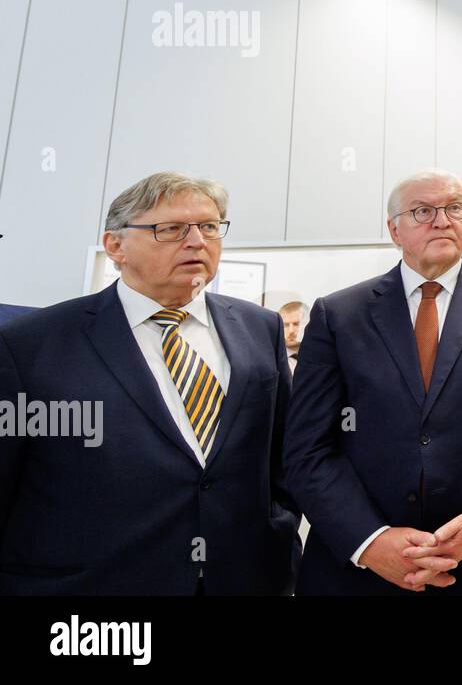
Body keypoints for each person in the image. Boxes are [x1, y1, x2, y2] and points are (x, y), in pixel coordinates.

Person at [0, 172, 299, 594]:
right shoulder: (31, 344)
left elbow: (283, 455)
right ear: (115, 246)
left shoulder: (258, 326)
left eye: (209, 227)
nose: (197, 241)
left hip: (242, 578)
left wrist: (280, 530)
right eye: (171, 229)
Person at [284, 170, 462, 595]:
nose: (442, 220)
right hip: (357, 566)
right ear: (394, 229)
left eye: (455, 208)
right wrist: (370, 541)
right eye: (423, 211)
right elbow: (306, 446)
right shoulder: (339, 314)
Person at [278, 300, 306, 377]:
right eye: (286, 325)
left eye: (296, 324)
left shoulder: (319, 356)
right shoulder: (274, 360)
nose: (291, 331)